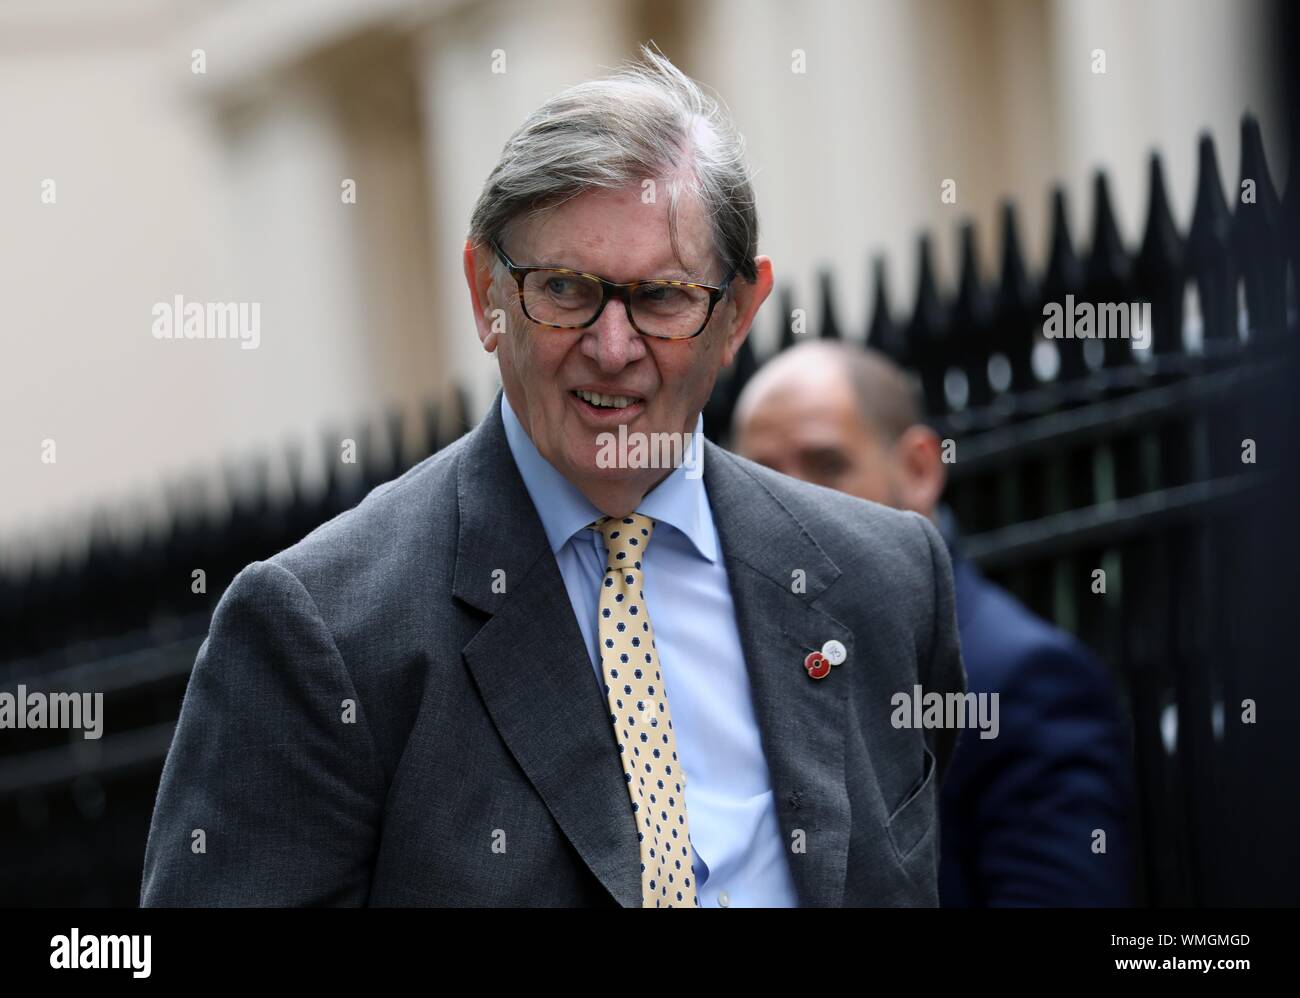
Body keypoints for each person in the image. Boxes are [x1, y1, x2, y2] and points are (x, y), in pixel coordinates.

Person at [140, 46, 964, 908]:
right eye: (565, 289)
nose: (612, 347)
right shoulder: (326, 632)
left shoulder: (886, 579)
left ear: (738, 315)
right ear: (485, 296)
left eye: (663, 297)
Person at [732, 340, 1133, 906]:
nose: (790, 506)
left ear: (919, 469)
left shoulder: (1024, 680)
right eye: (762, 480)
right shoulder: (743, 662)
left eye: (827, 465)